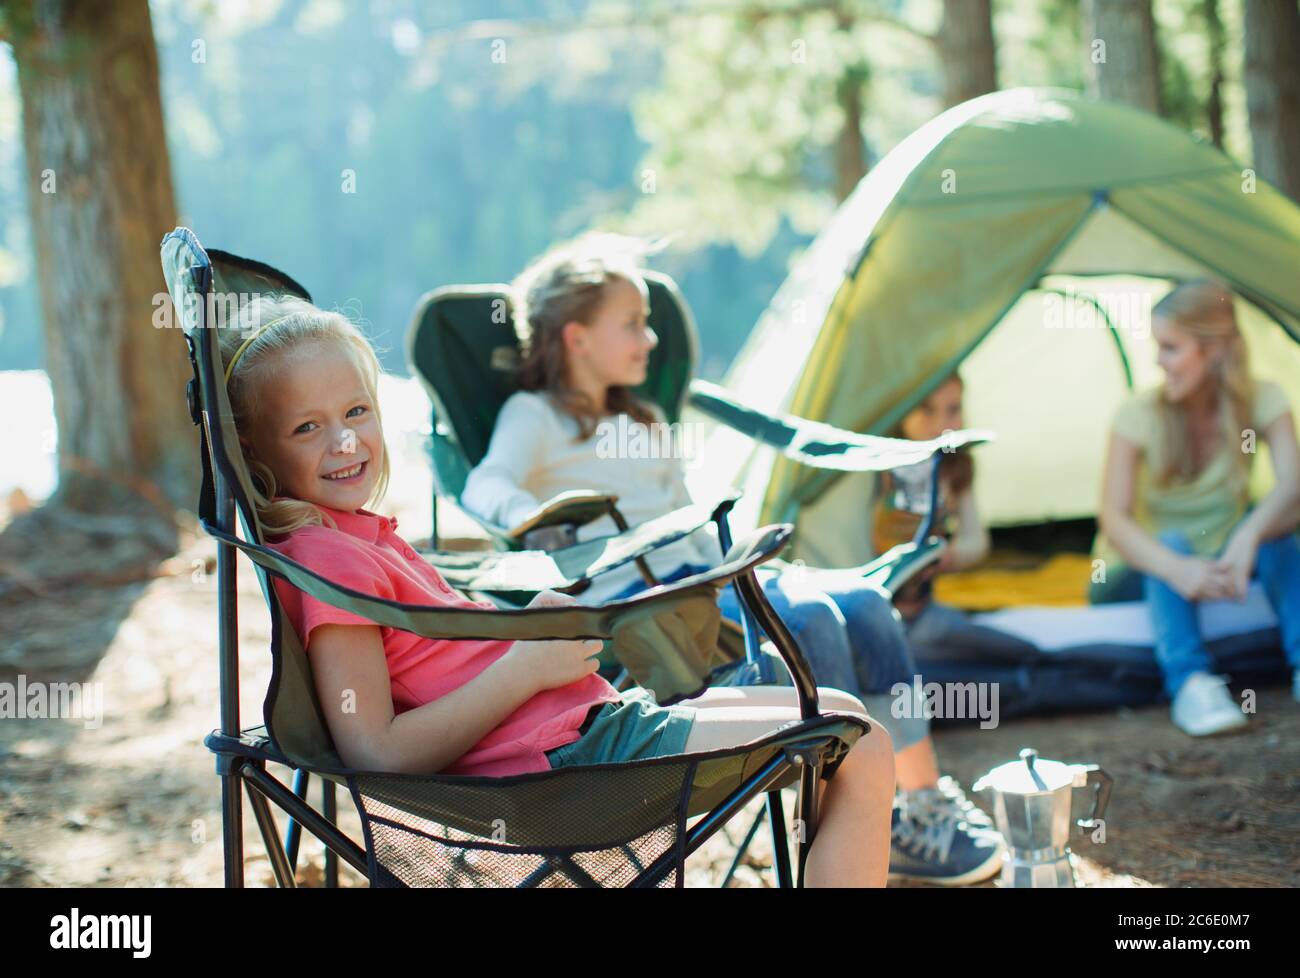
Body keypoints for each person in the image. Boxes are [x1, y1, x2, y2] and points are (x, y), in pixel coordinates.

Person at [218, 292, 895, 886]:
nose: (343, 442)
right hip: (571, 761)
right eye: (307, 427)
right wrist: (525, 666)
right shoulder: (330, 560)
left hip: (583, 733)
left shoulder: (354, 539)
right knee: (856, 742)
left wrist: (528, 633)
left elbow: (437, 665)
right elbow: (375, 752)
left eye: (357, 411)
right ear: (255, 453)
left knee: (842, 718)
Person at [461, 232, 1005, 885]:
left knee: (865, 603)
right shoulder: (535, 415)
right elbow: (484, 484)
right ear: (576, 337)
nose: (650, 339)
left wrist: (737, 565)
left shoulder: (646, 418)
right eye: (632, 324)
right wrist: (531, 516)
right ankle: (847, 824)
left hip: (706, 581)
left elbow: (691, 522)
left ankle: (919, 805)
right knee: (816, 621)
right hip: (643, 611)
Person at [1094, 279, 1300, 736]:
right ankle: (1191, 683)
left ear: (1214, 350)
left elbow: (1293, 487)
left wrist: (1250, 534)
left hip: (1219, 561)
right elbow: (1114, 519)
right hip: (1139, 570)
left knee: (1278, 533)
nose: (1157, 361)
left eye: (1170, 347)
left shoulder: (1261, 399)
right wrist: (1175, 568)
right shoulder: (1137, 414)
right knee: (1169, 540)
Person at [871, 372, 989, 651]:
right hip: (878, 612)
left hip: (926, 607)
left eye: (953, 410)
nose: (941, 425)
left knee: (1001, 654)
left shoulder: (954, 465)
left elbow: (978, 541)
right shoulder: (875, 464)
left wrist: (948, 555)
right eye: (926, 409)